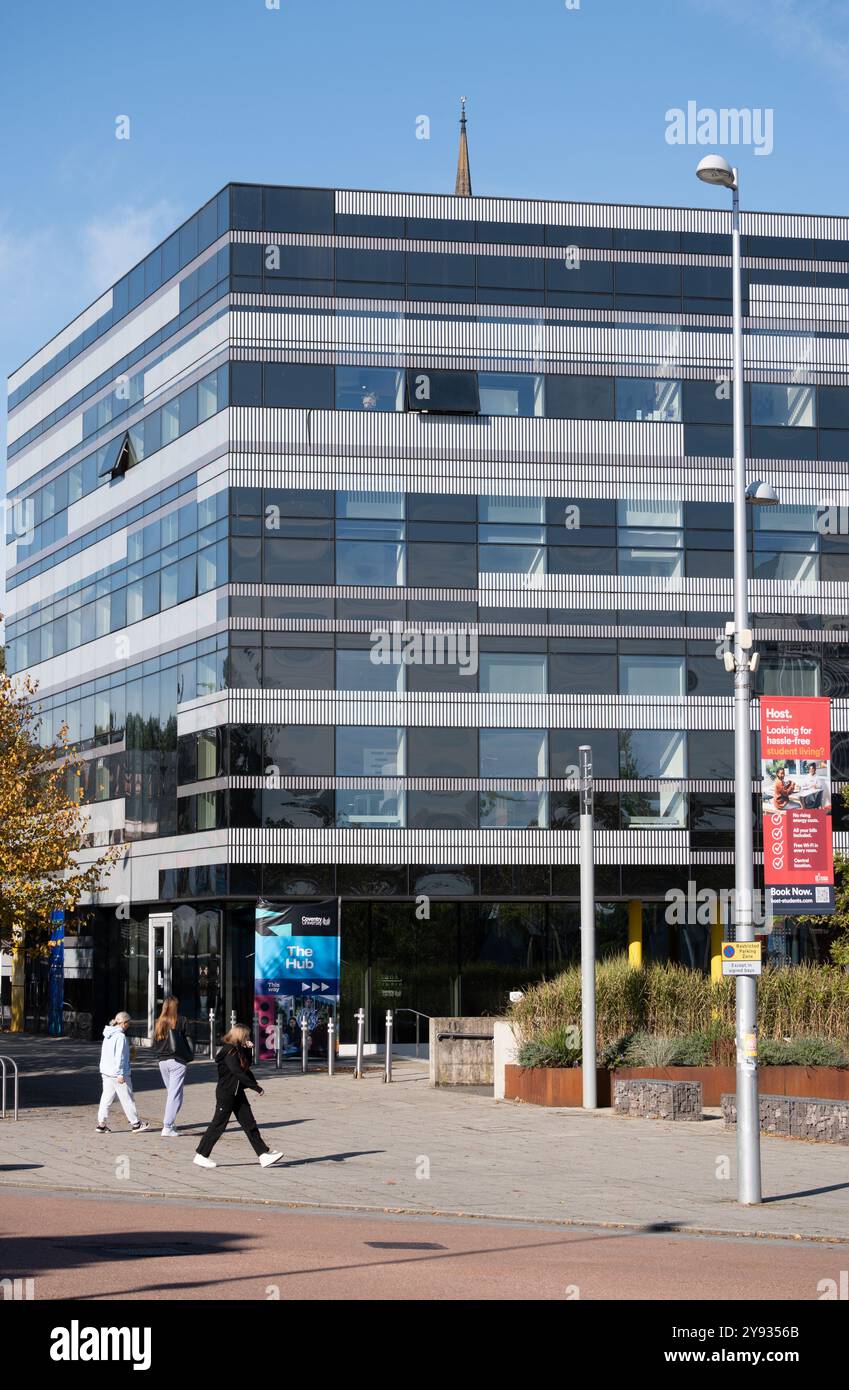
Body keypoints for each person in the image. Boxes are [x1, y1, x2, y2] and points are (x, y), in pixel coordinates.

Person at [193, 1024, 283, 1169]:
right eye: (246, 1036)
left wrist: (248, 1049)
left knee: (249, 1123)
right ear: (240, 1035)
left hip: (236, 1092)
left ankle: (263, 1154)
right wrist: (255, 1087)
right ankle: (201, 1155)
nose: (248, 1038)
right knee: (218, 1125)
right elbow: (238, 1072)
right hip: (227, 1093)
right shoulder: (230, 1051)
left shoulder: (237, 1050)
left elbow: (246, 1066)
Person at [96, 1012, 150, 1133]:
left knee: (106, 1098)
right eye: (128, 1023)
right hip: (118, 1073)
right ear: (124, 1023)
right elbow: (120, 1056)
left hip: (106, 1071)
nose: (129, 1025)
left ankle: (101, 1123)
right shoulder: (120, 1037)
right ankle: (136, 1124)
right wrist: (120, 1074)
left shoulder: (108, 1034)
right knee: (127, 1098)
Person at [154, 995, 193, 1137]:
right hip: (177, 1061)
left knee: (174, 1094)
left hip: (162, 1061)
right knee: (174, 1095)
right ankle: (167, 1126)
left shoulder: (159, 1022)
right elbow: (188, 1038)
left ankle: (171, 1123)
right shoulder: (181, 1020)